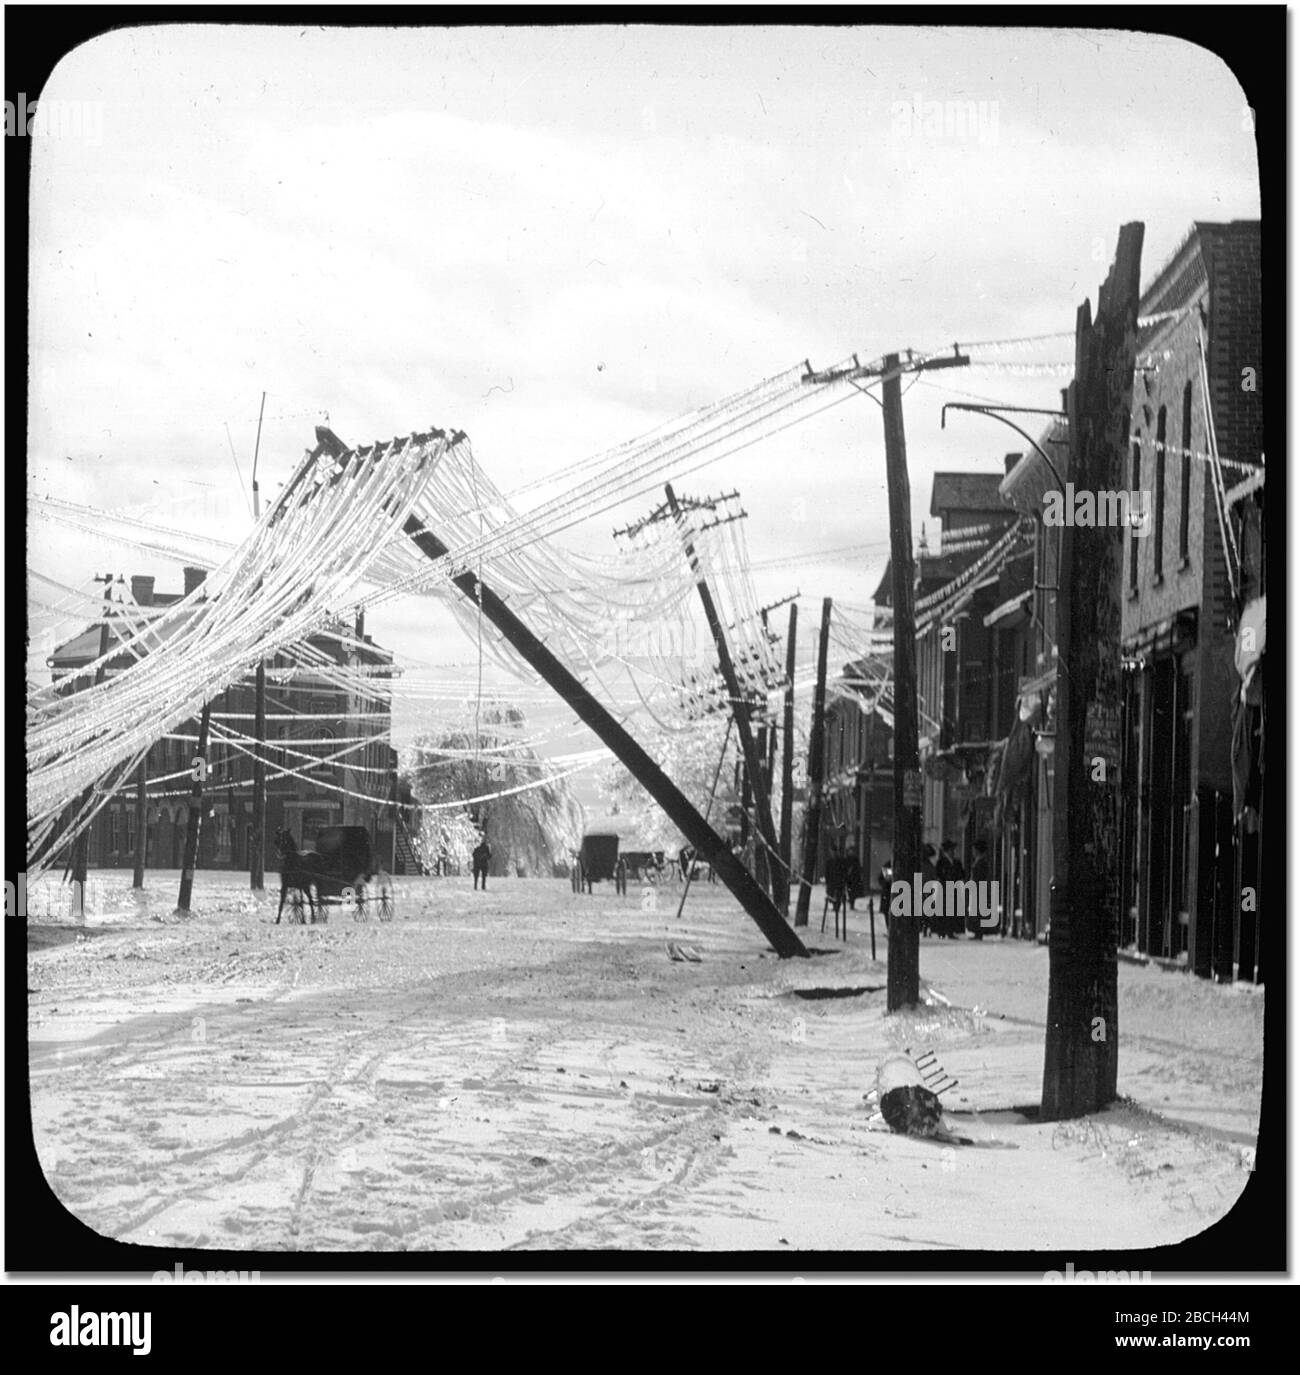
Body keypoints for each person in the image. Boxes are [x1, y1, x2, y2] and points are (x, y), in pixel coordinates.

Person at [968, 839, 990, 940]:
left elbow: (979, 876)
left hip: (979, 888)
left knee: (978, 910)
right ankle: (977, 931)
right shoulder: (978, 861)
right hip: (976, 888)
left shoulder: (981, 862)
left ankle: (978, 931)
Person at [878, 856, 894, 931]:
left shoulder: (888, 864)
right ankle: (890, 929)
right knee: (888, 912)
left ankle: (890, 929)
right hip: (888, 893)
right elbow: (886, 880)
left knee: (888, 912)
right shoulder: (888, 865)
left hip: (888, 893)